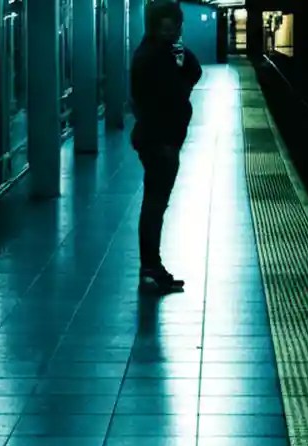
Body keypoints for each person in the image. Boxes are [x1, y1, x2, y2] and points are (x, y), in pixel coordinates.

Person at [131, 1, 202, 291]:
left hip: (162, 141)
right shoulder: (152, 57)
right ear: (156, 26)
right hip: (159, 143)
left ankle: (152, 267)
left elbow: (194, 70)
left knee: (155, 206)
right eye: (167, 25)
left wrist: (180, 50)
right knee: (154, 206)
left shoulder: (161, 51)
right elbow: (176, 91)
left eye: (175, 25)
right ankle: (150, 269)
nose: (172, 29)